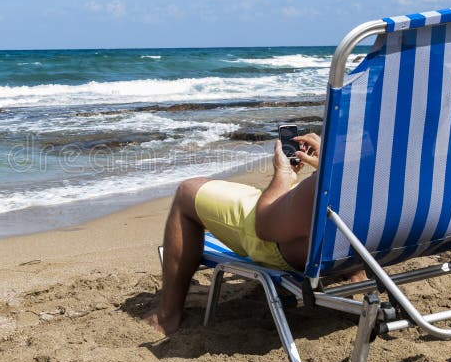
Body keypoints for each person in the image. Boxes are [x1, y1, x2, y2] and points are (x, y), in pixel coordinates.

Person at [144, 133, 365, 336]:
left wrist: (283, 175)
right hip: (359, 248)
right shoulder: (387, 168)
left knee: (187, 191)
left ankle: (167, 315)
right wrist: (325, 167)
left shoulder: (331, 180)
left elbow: (265, 226)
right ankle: (357, 274)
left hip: (284, 244)